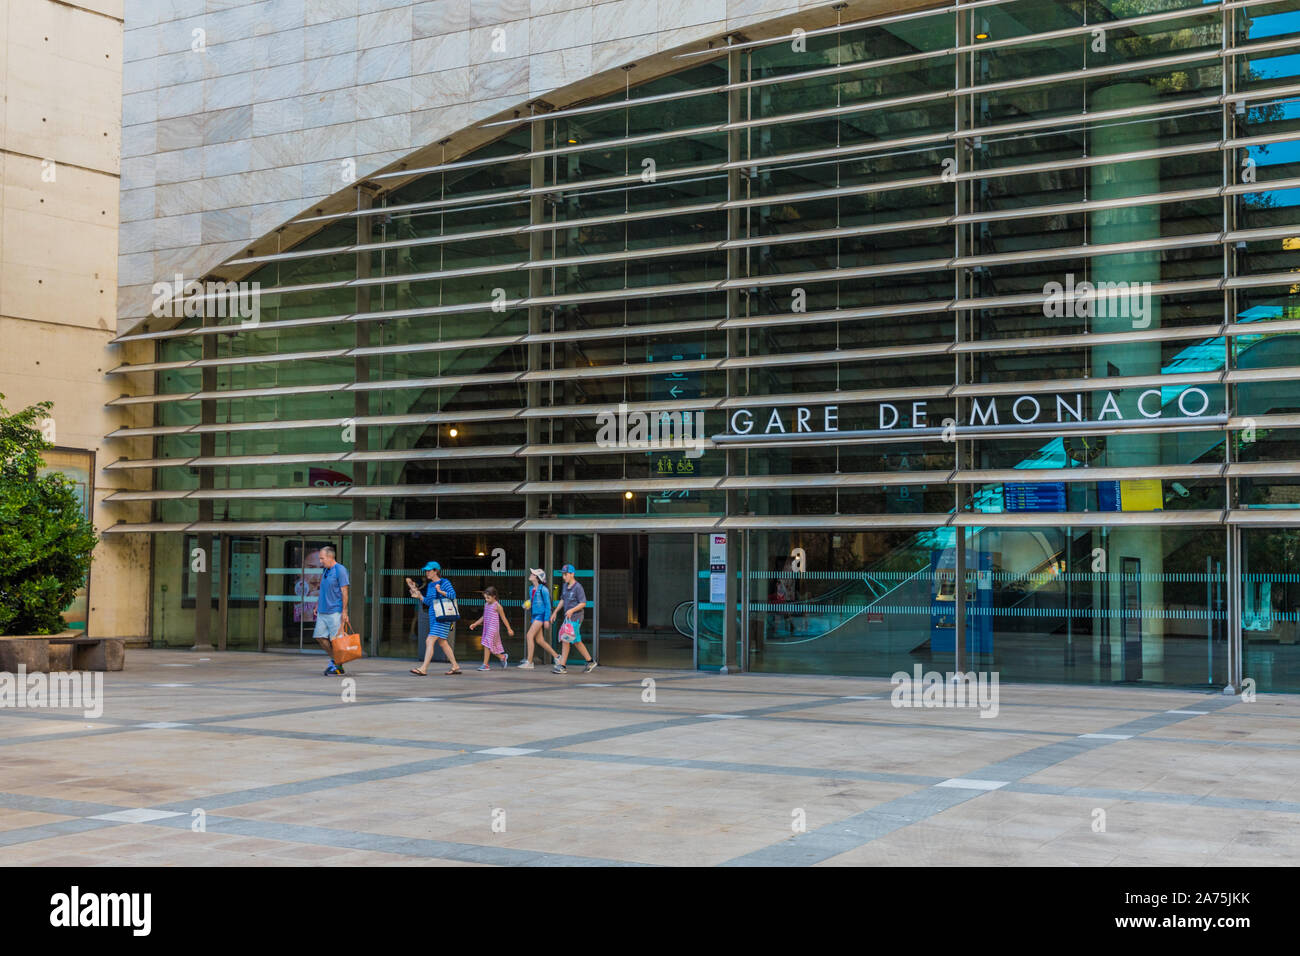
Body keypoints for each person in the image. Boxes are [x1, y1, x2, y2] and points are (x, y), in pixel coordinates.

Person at [407, 561, 461, 676]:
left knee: (429, 640)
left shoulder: (444, 582)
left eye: (429, 570)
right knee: (442, 642)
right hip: (434, 616)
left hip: (442, 617)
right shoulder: (431, 585)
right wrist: (419, 596)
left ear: (436, 571)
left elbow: (453, 595)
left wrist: (440, 591)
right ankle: (455, 666)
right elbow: (428, 602)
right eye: (426, 571)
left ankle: (423, 668)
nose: (427, 573)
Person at [551, 563, 596, 674]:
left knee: (565, 639)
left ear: (572, 574)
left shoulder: (578, 587)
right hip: (568, 619)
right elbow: (562, 600)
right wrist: (555, 612)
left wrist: (572, 610)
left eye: (566, 574)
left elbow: (583, 603)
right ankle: (590, 661)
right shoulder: (565, 586)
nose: (564, 577)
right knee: (576, 641)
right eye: (563, 574)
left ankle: (562, 665)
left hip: (576, 618)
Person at [315, 546, 350, 676]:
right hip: (322, 611)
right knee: (319, 636)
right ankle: (336, 661)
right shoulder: (325, 570)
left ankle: (337, 666)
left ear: (330, 557)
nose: (320, 561)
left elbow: (345, 592)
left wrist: (344, 612)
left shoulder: (340, 570)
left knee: (336, 641)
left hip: (335, 611)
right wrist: (317, 605)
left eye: (322, 558)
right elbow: (323, 589)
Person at [518, 568, 558, 670]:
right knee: (540, 640)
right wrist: (528, 605)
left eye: (533, 574)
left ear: (537, 578)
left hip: (540, 616)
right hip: (535, 616)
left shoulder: (543, 589)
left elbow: (548, 606)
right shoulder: (531, 589)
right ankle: (558, 657)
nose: (531, 575)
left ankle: (529, 662)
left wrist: (546, 620)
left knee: (529, 635)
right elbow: (533, 601)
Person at [470, 586, 512, 671]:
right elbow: (484, 617)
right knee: (490, 647)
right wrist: (475, 624)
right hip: (487, 628)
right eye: (485, 598)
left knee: (487, 645)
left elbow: (504, 618)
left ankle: (485, 665)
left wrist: (509, 629)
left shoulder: (497, 606)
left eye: (488, 598)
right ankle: (502, 657)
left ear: (494, 596)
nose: (486, 600)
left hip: (493, 628)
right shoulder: (486, 604)